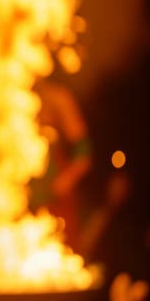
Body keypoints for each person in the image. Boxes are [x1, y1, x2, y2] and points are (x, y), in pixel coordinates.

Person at [29, 78, 93, 250]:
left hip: (54, 198)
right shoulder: (10, 96)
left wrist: (66, 179)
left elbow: (83, 152)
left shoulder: (58, 98)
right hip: (22, 196)